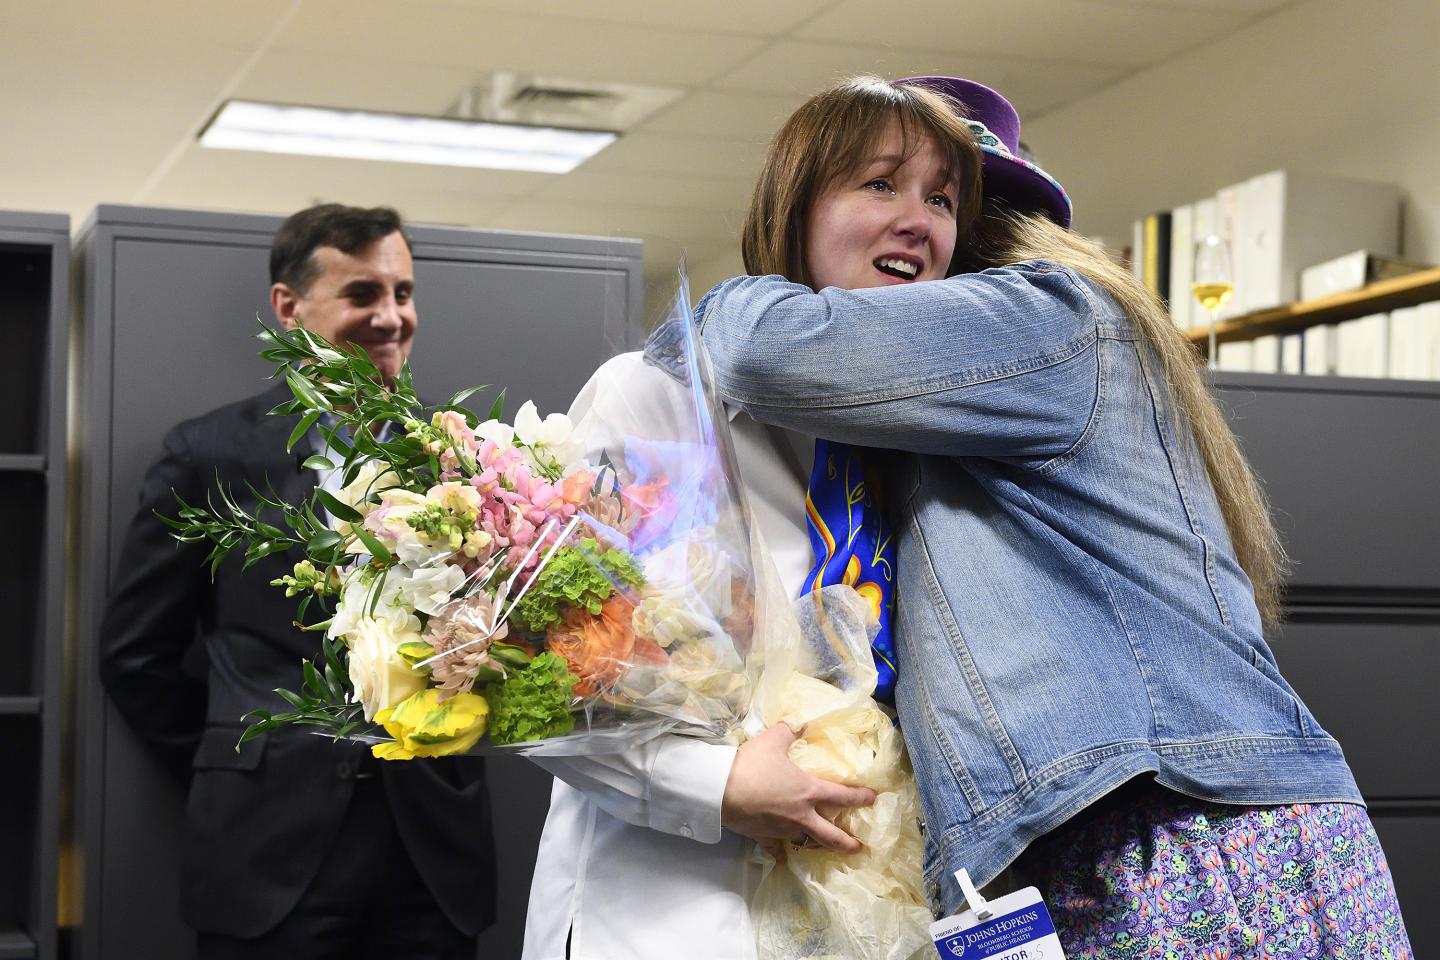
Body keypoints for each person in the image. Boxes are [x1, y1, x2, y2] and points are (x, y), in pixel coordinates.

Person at [695, 75, 1412, 957]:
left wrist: (719, 303)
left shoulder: (1046, 315)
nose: (916, 222)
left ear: (983, 230)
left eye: (944, 200)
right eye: (879, 185)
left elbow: (760, 348)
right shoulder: (910, 427)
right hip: (1082, 858)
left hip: (1176, 838)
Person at [99, 204, 496, 958]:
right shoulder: (208, 455)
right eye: (362, 294)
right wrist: (247, 758)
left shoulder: (460, 456)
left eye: (403, 293)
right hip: (265, 847)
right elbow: (135, 655)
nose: (391, 317)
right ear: (289, 308)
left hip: (431, 853)